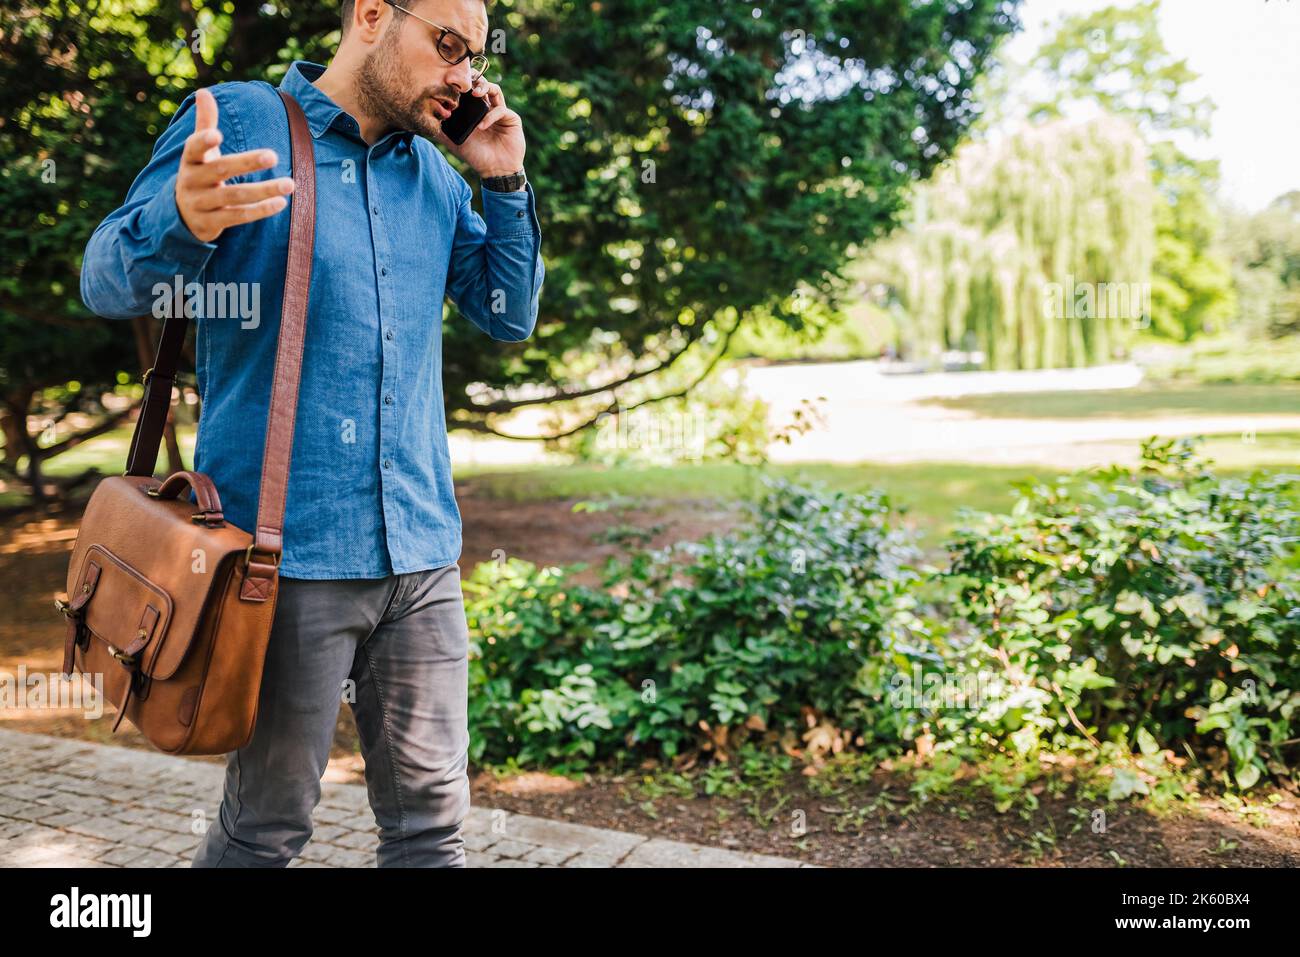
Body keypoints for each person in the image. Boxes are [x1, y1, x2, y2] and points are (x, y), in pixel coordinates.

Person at [78, 0, 544, 867]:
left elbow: (509, 315)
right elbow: (106, 281)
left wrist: (504, 179)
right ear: (372, 13)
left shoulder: (437, 177)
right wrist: (182, 220)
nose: (464, 77)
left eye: (475, 58)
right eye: (448, 46)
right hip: (283, 563)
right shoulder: (247, 119)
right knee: (266, 828)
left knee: (432, 830)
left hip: (421, 562)